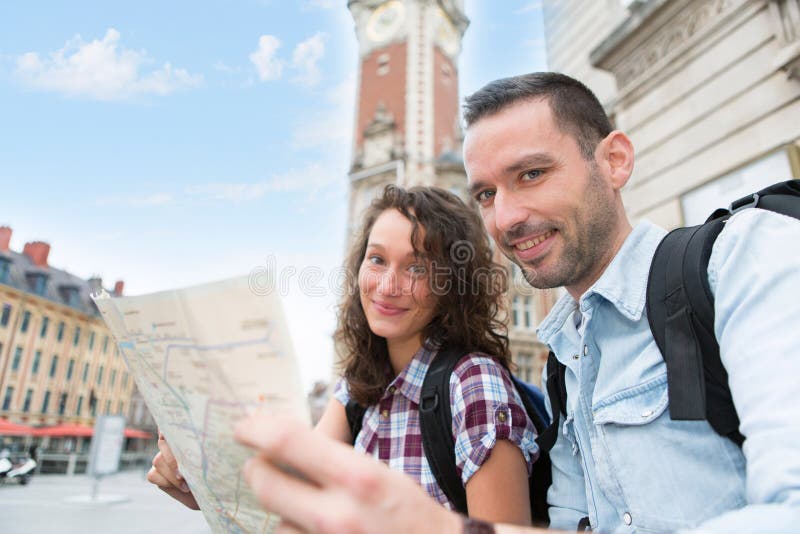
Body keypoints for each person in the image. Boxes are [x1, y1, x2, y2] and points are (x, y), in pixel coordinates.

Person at [232, 72, 800, 533]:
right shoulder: (565, 362)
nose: (505, 218)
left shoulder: (743, 258)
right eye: (486, 193)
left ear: (615, 161)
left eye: (531, 173)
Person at [148, 185, 540, 525]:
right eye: (377, 259)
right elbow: (293, 490)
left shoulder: (473, 382)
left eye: (417, 268)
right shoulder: (357, 386)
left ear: (451, 285)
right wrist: (201, 485)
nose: (387, 286)